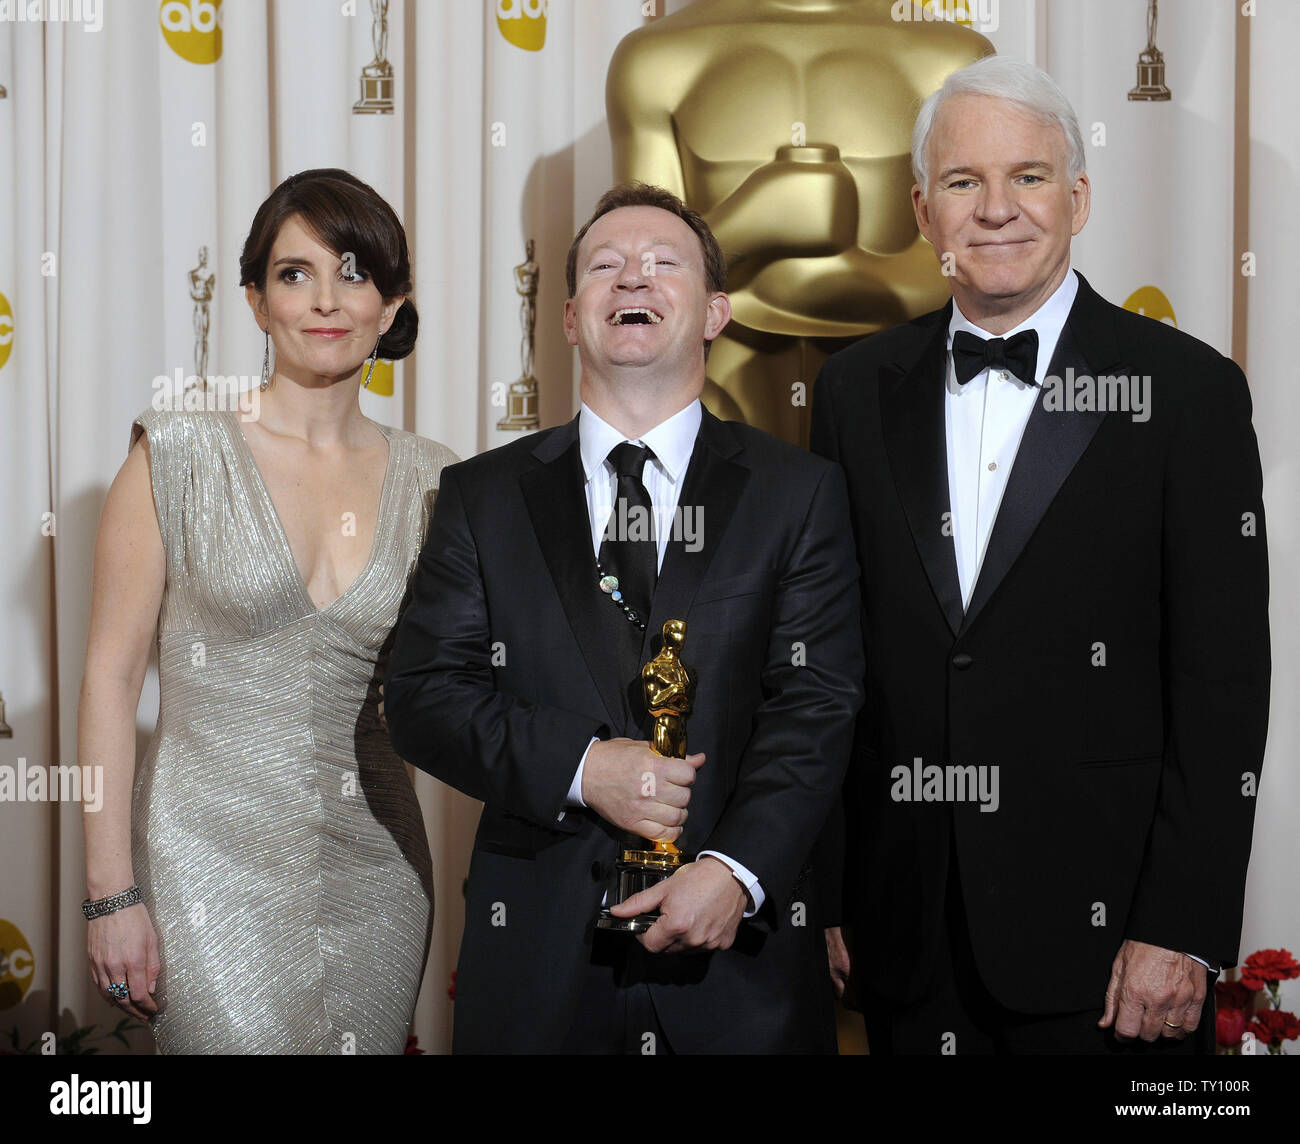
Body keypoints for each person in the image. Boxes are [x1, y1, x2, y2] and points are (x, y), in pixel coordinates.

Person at [811, 56, 1270, 1054]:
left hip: (1110, 949)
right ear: (922, 209)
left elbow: (1223, 682)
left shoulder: (1185, 391)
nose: (996, 209)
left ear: (1078, 197)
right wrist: (832, 886)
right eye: (963, 181)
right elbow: (833, 665)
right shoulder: (852, 389)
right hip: (904, 931)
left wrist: (1181, 927)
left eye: (1028, 176)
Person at [384, 183, 864, 1054]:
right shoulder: (481, 496)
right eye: (606, 266)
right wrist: (581, 768)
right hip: (538, 969)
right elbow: (423, 699)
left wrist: (735, 871)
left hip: (740, 974)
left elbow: (817, 704)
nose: (632, 277)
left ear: (715, 312)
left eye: (662, 263)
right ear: (571, 318)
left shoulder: (799, 493)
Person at [79, 168, 456, 1053]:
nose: (325, 300)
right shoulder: (176, 452)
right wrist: (110, 893)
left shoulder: (439, 480)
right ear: (254, 300)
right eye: (294, 274)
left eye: (354, 274)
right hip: (204, 865)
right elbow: (109, 679)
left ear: (392, 305)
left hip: (378, 868)